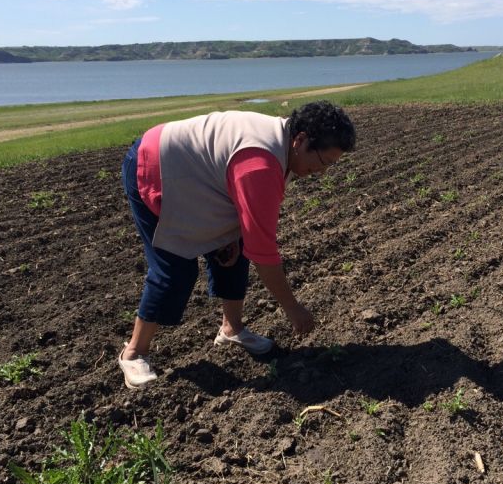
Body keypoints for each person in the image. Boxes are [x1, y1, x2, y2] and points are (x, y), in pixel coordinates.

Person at [118, 101, 356, 389]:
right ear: (301, 139)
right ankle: (134, 352)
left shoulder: (285, 145)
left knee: (233, 248)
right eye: (323, 162)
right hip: (156, 169)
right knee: (174, 269)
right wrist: (293, 308)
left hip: (200, 179)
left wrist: (230, 237)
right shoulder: (260, 162)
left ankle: (232, 328)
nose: (322, 172)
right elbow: (264, 252)